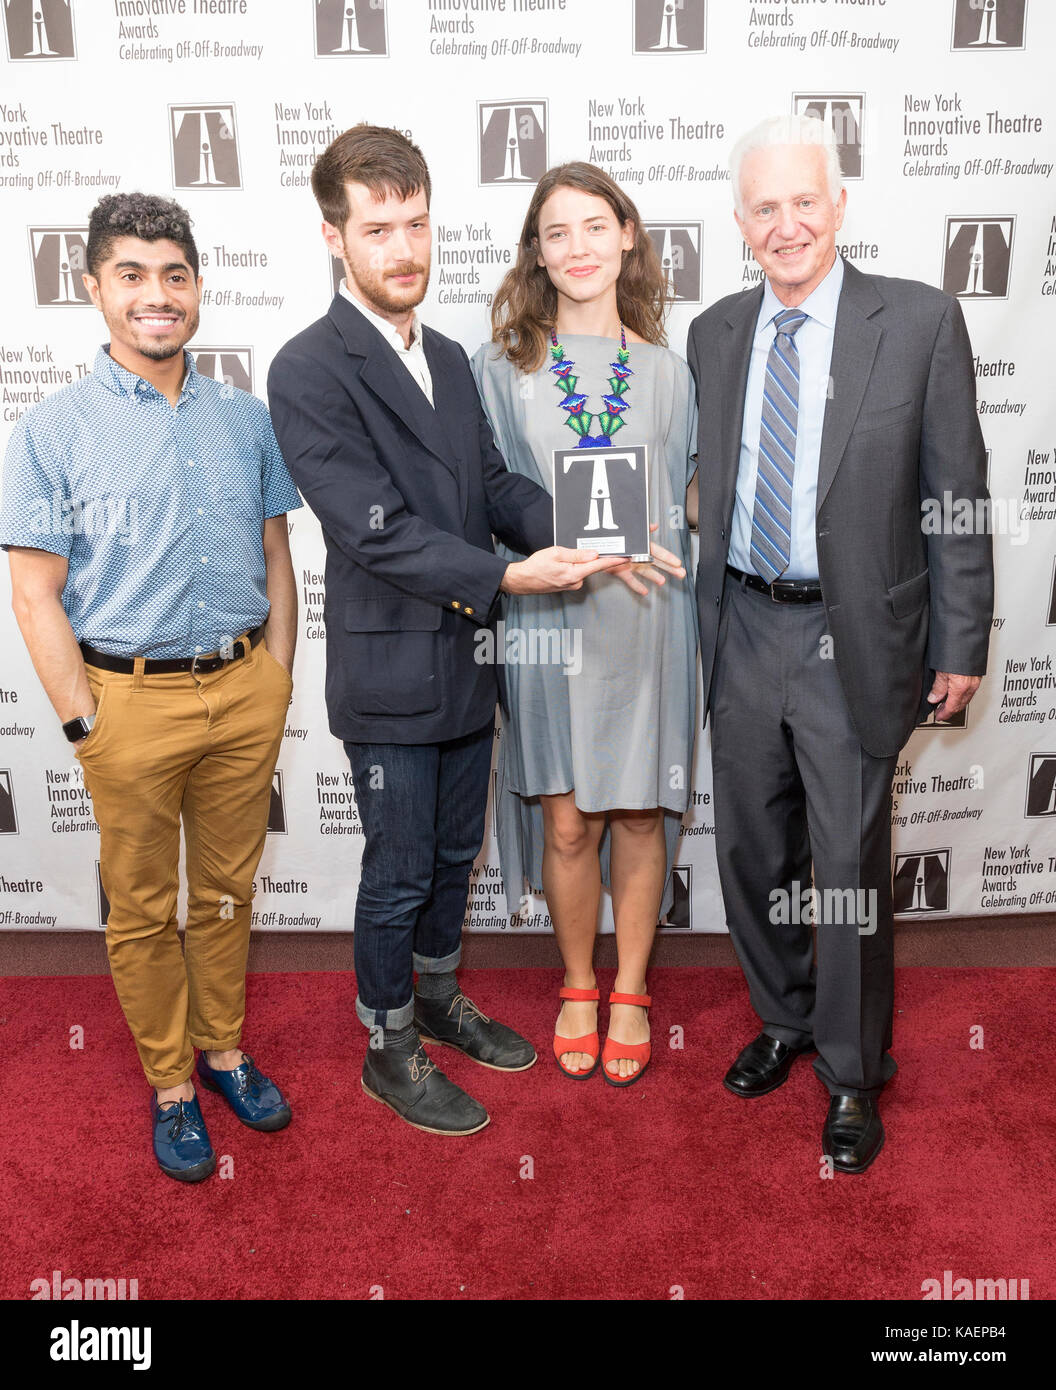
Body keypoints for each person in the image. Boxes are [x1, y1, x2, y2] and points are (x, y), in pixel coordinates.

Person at [267, 126, 636, 1137]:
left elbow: (495, 486)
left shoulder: (448, 356)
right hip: (392, 680)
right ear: (336, 236)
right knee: (395, 871)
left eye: (417, 222)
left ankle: (436, 998)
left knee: (447, 860)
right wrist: (510, 572)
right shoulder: (307, 368)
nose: (404, 247)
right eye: (379, 227)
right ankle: (389, 1046)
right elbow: (374, 531)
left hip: (469, 665)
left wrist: (603, 531)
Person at [687, 116, 993, 1171]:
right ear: (740, 222)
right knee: (751, 849)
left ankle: (854, 1071)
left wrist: (960, 637)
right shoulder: (715, 333)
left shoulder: (915, 321)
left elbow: (957, 490)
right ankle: (785, 1018)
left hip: (854, 632)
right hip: (740, 622)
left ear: (840, 205)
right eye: (764, 208)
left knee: (850, 865)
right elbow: (715, 479)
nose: (786, 225)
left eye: (803, 202)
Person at [1, 193, 300, 1182]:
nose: (156, 295)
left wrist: (277, 679)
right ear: (95, 288)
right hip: (124, 703)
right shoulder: (52, 429)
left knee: (224, 894)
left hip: (240, 691)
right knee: (139, 909)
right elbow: (35, 592)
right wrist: (87, 723)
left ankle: (223, 1052)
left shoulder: (244, 418)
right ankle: (172, 1083)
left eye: (174, 274)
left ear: (198, 288)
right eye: (130, 274)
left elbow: (276, 554)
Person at [472, 162, 697, 1088]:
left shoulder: (672, 371)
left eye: (595, 226)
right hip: (549, 619)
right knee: (567, 820)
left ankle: (633, 986)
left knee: (640, 808)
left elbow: (688, 493)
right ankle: (576, 982)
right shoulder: (497, 369)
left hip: (648, 618)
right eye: (556, 232)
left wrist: (669, 524)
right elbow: (488, 501)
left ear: (628, 236)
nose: (578, 248)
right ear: (536, 251)